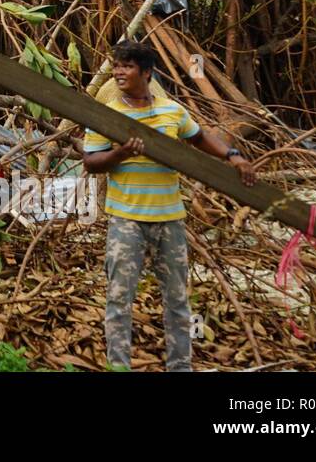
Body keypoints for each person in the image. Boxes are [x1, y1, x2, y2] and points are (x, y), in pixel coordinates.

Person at [81, 40, 257, 371]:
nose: (119, 71)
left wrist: (233, 156)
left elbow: (199, 137)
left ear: (146, 73)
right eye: (117, 65)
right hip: (125, 222)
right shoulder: (106, 116)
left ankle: (180, 367)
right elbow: (90, 162)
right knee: (119, 301)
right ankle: (118, 367)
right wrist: (119, 154)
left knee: (177, 301)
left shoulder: (171, 110)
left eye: (127, 66)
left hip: (170, 221)